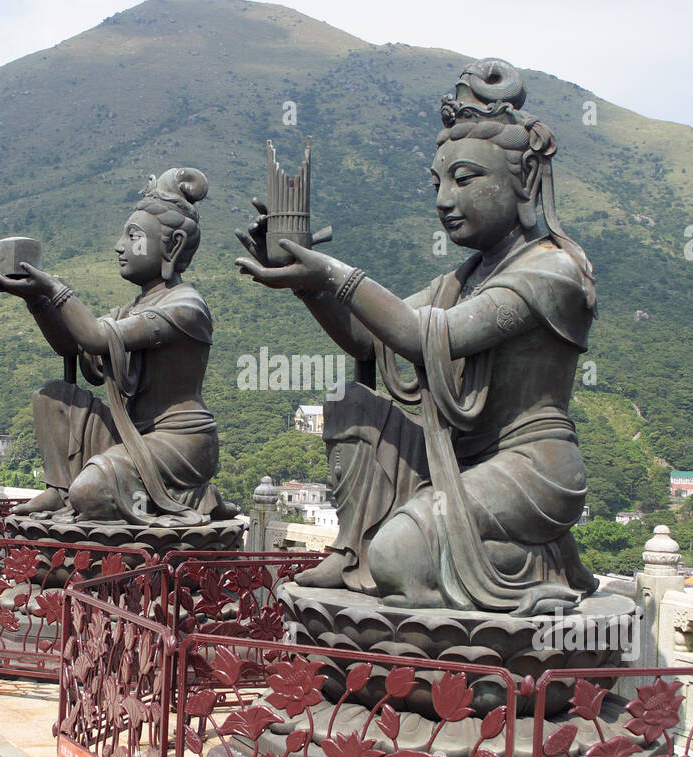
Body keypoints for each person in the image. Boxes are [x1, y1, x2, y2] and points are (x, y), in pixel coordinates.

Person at [235, 59, 598, 616]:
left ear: (522, 181)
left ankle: (520, 567)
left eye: (465, 179)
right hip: (457, 459)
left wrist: (333, 271)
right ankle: (353, 550)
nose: (444, 200)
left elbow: (432, 334)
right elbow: (368, 339)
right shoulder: (463, 278)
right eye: (438, 183)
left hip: (529, 466)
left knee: (400, 556)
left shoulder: (551, 272)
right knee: (352, 403)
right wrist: (307, 286)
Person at [0, 168, 228, 524]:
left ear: (173, 246)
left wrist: (53, 288)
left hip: (177, 442)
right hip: (130, 433)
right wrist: (35, 300)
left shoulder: (184, 307)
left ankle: (94, 497)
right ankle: (58, 489)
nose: (119, 246)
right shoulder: (131, 310)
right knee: (50, 396)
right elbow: (73, 346)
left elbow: (94, 335)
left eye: (133, 236)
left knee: (90, 492)